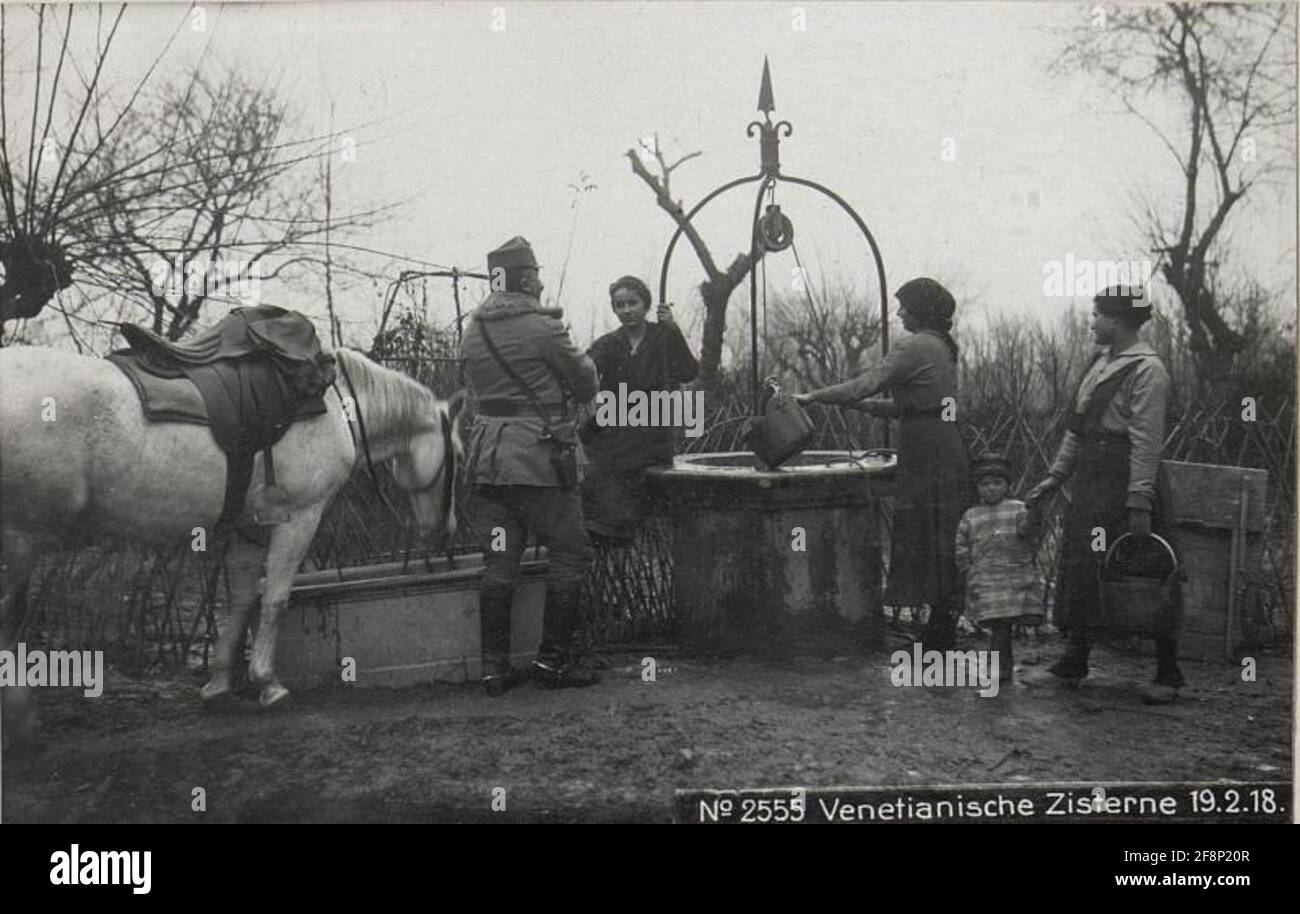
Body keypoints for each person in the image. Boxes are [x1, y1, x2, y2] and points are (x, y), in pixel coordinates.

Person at [1023, 285, 1182, 704]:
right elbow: (1078, 429)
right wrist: (1056, 477)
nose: (1092, 322)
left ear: (1121, 320)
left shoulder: (1149, 370)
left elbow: (1147, 440)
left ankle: (1168, 671)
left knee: (1144, 565)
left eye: (1098, 315)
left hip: (1126, 477)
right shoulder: (1099, 364)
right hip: (1092, 481)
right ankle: (1074, 662)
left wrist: (1139, 499)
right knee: (1085, 564)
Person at [795, 277, 969, 651]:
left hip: (928, 450)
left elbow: (865, 384)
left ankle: (938, 637)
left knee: (925, 530)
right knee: (939, 533)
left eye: (905, 306)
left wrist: (812, 396)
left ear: (920, 310)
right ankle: (940, 631)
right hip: (941, 443)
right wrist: (851, 403)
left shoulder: (916, 345)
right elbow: (906, 406)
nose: (900, 312)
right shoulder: (940, 345)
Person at [460, 236, 600, 695]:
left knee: (499, 564)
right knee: (570, 552)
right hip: (540, 462)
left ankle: (493, 670)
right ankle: (550, 665)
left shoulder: (472, 329)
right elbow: (585, 383)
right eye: (536, 273)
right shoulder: (543, 329)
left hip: (488, 465)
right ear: (524, 278)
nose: (540, 281)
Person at [582, 275, 699, 540]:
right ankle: (599, 525)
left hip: (651, 421)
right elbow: (584, 372)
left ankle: (617, 526)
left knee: (625, 457)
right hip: (614, 418)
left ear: (645, 304)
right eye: (619, 305)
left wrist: (673, 329)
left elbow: (689, 371)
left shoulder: (662, 336)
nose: (626, 311)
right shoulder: (608, 343)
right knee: (586, 448)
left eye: (632, 303)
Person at [955, 452, 1045, 683]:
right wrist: (967, 569)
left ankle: (1001, 668)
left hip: (1012, 576)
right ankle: (1001, 667)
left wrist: (1035, 511)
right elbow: (961, 545)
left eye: (997, 483)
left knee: (1002, 625)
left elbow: (1028, 531)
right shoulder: (971, 515)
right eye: (985, 484)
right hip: (985, 578)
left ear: (1007, 485)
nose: (991, 488)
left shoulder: (1017, 508)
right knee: (998, 626)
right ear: (977, 488)